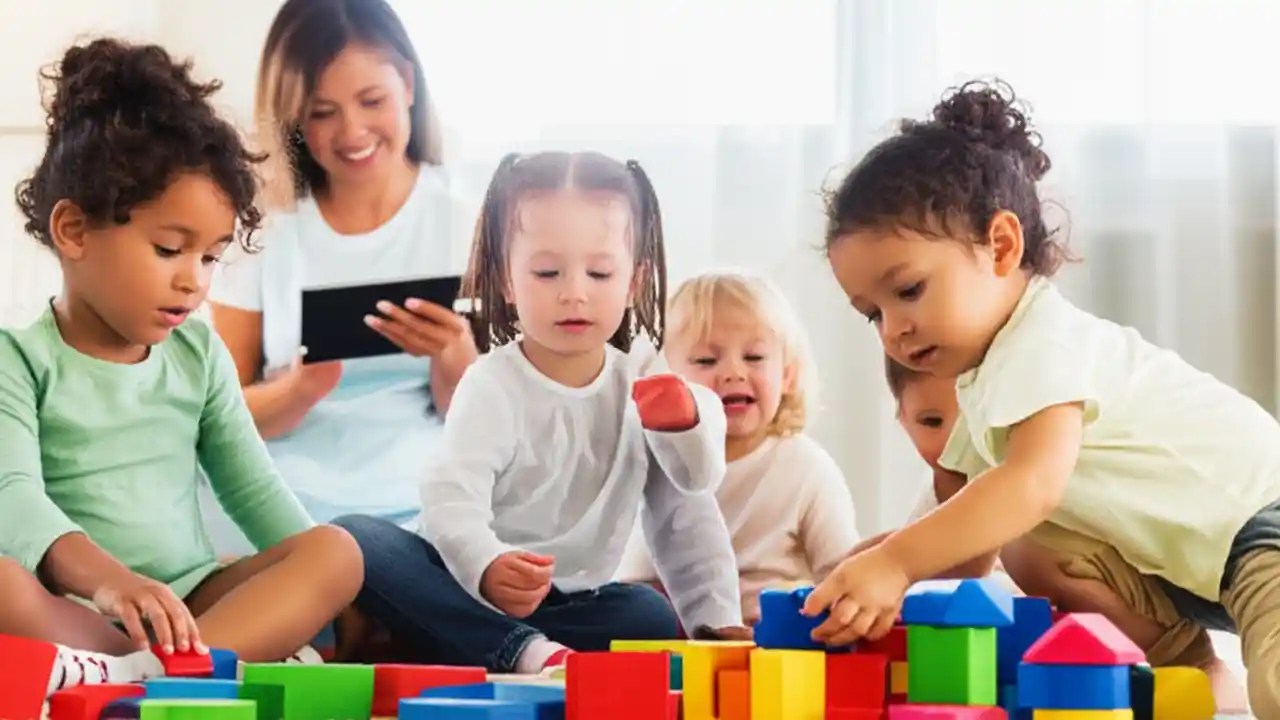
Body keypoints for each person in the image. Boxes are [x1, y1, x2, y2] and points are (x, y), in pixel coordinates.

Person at [810, 79, 1280, 714]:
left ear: (1001, 246)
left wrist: (896, 563)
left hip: (1258, 528)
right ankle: (1191, 672)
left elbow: (1032, 485)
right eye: (873, 313)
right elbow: (972, 550)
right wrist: (862, 571)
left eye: (910, 291)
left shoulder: (1042, 340)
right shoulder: (981, 387)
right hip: (1190, 565)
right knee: (1029, 545)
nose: (894, 329)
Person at [0, 38, 363, 697]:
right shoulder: (16, 358)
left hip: (193, 604)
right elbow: (13, 498)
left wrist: (324, 595)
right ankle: (180, 670)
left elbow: (252, 489)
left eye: (210, 256)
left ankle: (152, 677)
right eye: (170, 249)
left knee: (336, 551)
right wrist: (112, 583)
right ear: (74, 231)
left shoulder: (198, 354)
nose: (193, 281)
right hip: (79, 609)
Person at [333, 151, 748, 674]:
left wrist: (715, 623)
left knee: (649, 616)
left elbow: (688, 507)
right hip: (466, 589)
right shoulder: (491, 383)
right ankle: (520, 651)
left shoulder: (644, 378)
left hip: (571, 609)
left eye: (600, 272)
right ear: (507, 281)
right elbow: (449, 498)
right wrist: (487, 564)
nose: (574, 293)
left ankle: (486, 647)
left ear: (635, 282)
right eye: (547, 272)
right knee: (358, 538)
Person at [209, 0, 474, 527]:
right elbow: (218, 417)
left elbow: (490, 422)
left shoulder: (466, 222)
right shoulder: (262, 231)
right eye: (322, 113)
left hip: (417, 492)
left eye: (371, 101)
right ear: (292, 119)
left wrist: (455, 355)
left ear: (407, 84)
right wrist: (298, 390)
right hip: (283, 491)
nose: (352, 132)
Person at [873, 357, 1246, 710]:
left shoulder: (1038, 466)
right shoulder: (938, 491)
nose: (959, 443)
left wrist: (886, 562)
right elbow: (929, 577)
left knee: (1025, 551)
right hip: (1031, 653)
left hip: (1136, 604)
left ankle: (1196, 665)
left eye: (976, 421)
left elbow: (965, 560)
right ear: (901, 419)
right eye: (932, 422)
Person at [615, 269, 859, 625]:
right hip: (682, 635)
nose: (733, 372)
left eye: (754, 357)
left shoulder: (806, 468)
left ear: (787, 376)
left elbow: (843, 572)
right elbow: (636, 578)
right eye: (706, 361)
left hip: (774, 636)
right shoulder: (659, 465)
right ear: (665, 378)